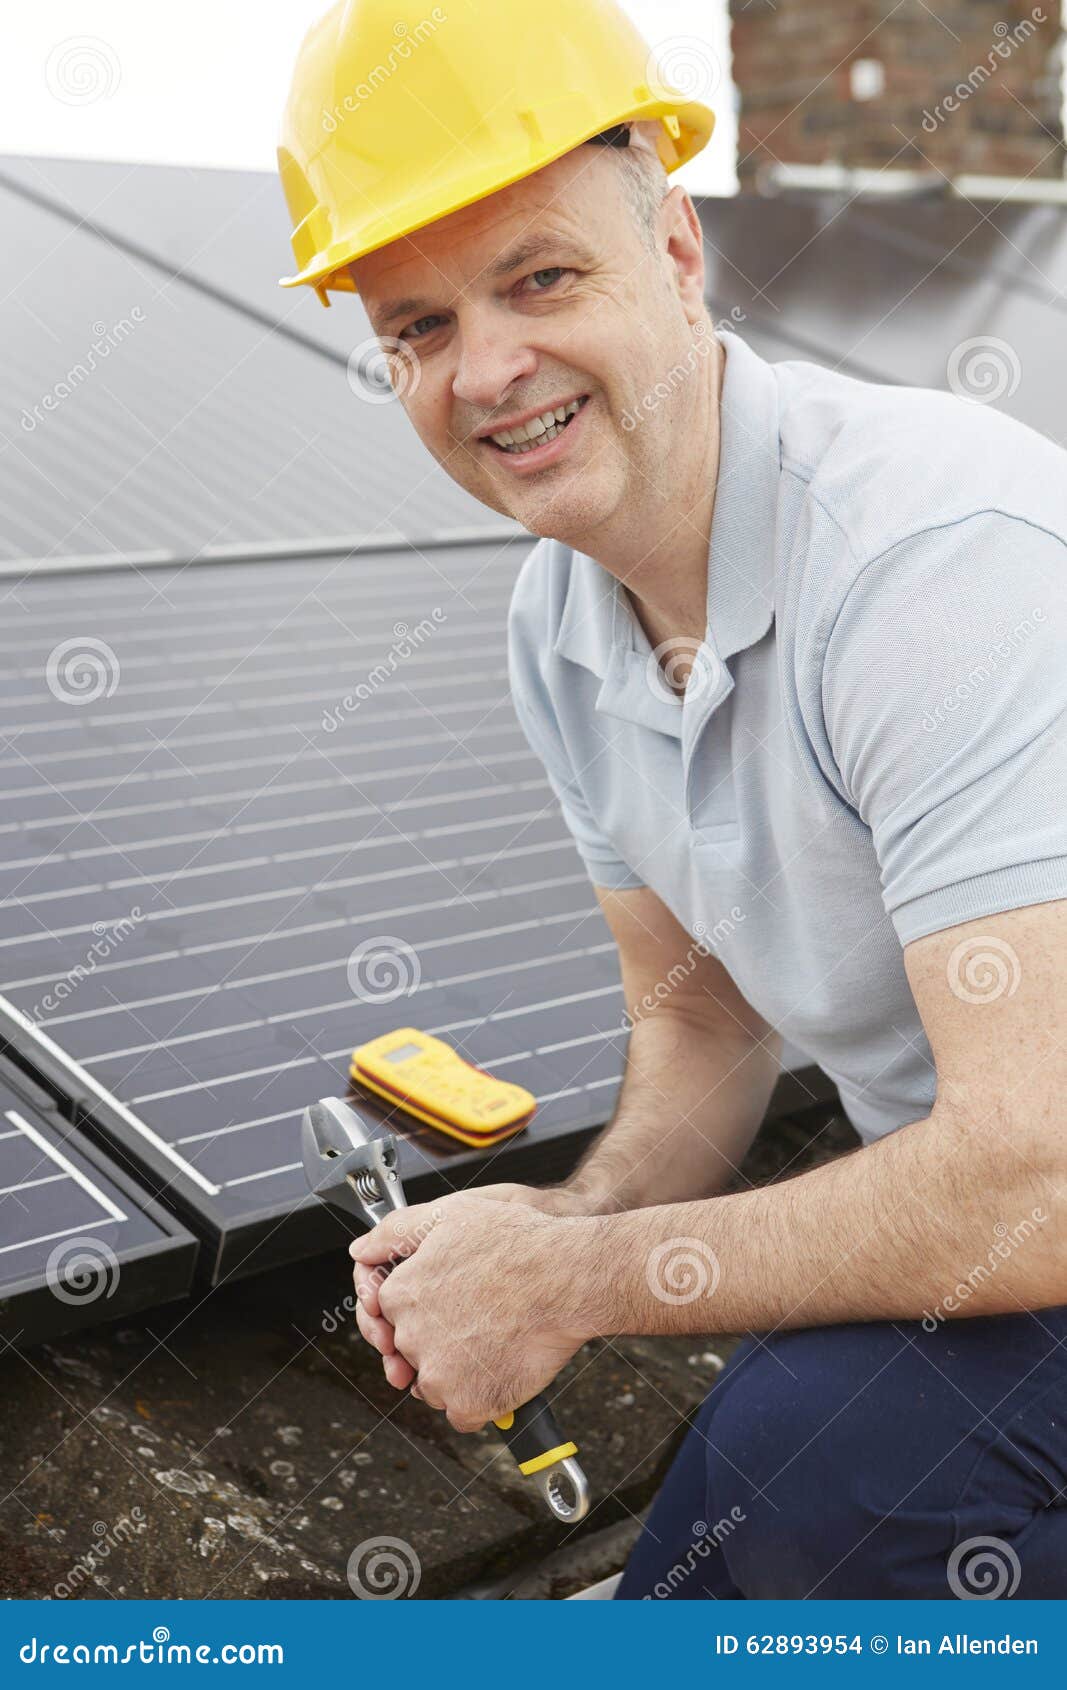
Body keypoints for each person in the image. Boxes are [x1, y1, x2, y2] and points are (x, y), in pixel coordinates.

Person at [278, 0, 1067, 1598]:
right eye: (418, 327)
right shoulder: (558, 631)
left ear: (681, 251)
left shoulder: (932, 560)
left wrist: (578, 1275)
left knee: (806, 1471)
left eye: (541, 278)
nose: (488, 369)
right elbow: (705, 1025)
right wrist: (546, 1234)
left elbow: (1043, 1170)